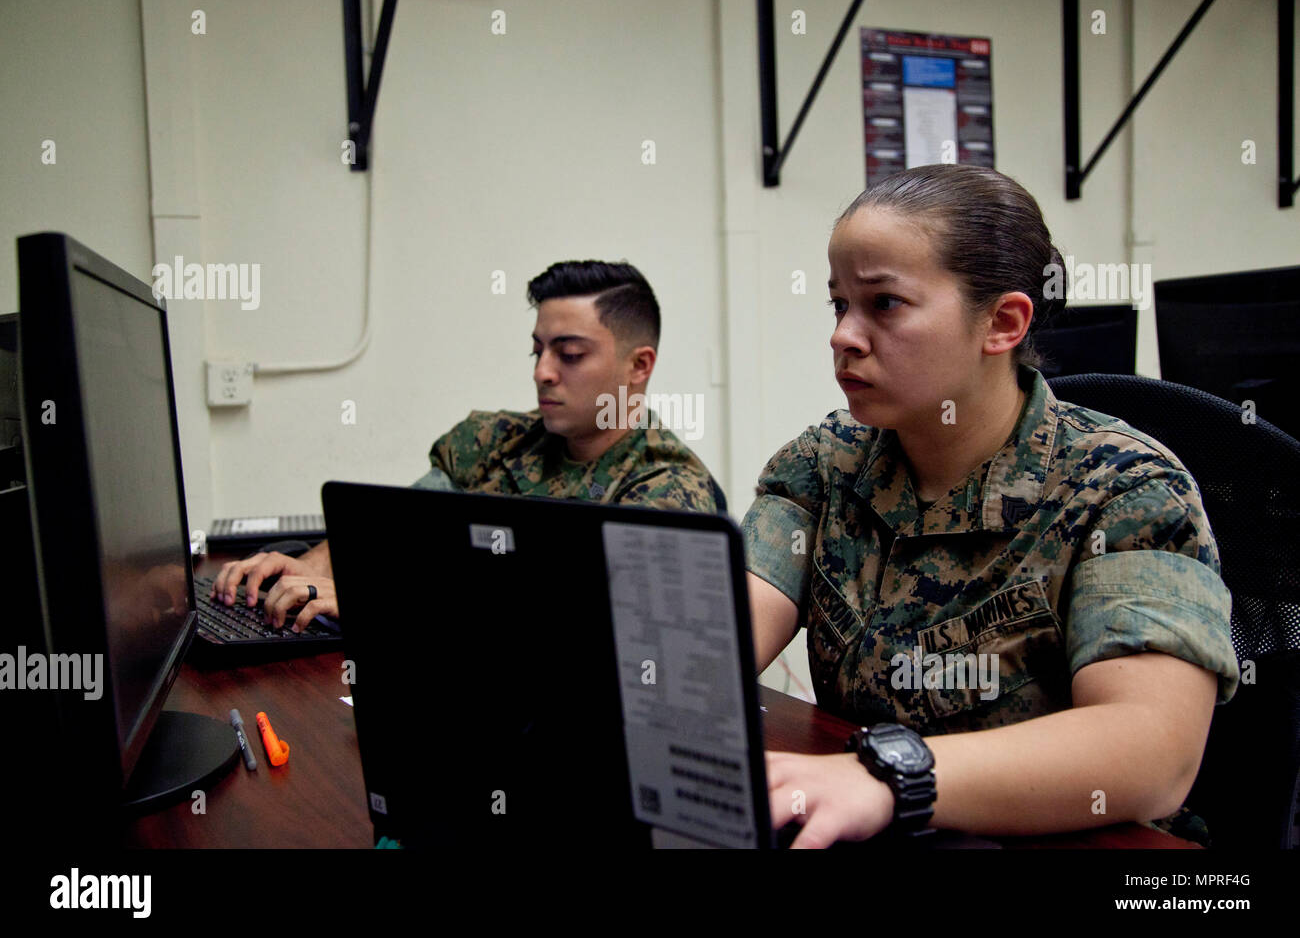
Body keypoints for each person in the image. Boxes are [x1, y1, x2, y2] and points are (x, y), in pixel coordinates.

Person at [744, 164, 1238, 848]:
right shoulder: (826, 462)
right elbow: (719, 633)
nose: (843, 337)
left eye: (883, 304)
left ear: (1002, 323)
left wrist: (891, 778)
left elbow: (1151, 752)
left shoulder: (1123, 486)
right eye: (839, 305)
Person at [212, 259, 719, 629]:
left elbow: (578, 631)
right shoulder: (493, 441)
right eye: (538, 350)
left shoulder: (668, 492)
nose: (542, 372)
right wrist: (315, 564)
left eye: (568, 354)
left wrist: (374, 601)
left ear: (639, 365)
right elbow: (399, 527)